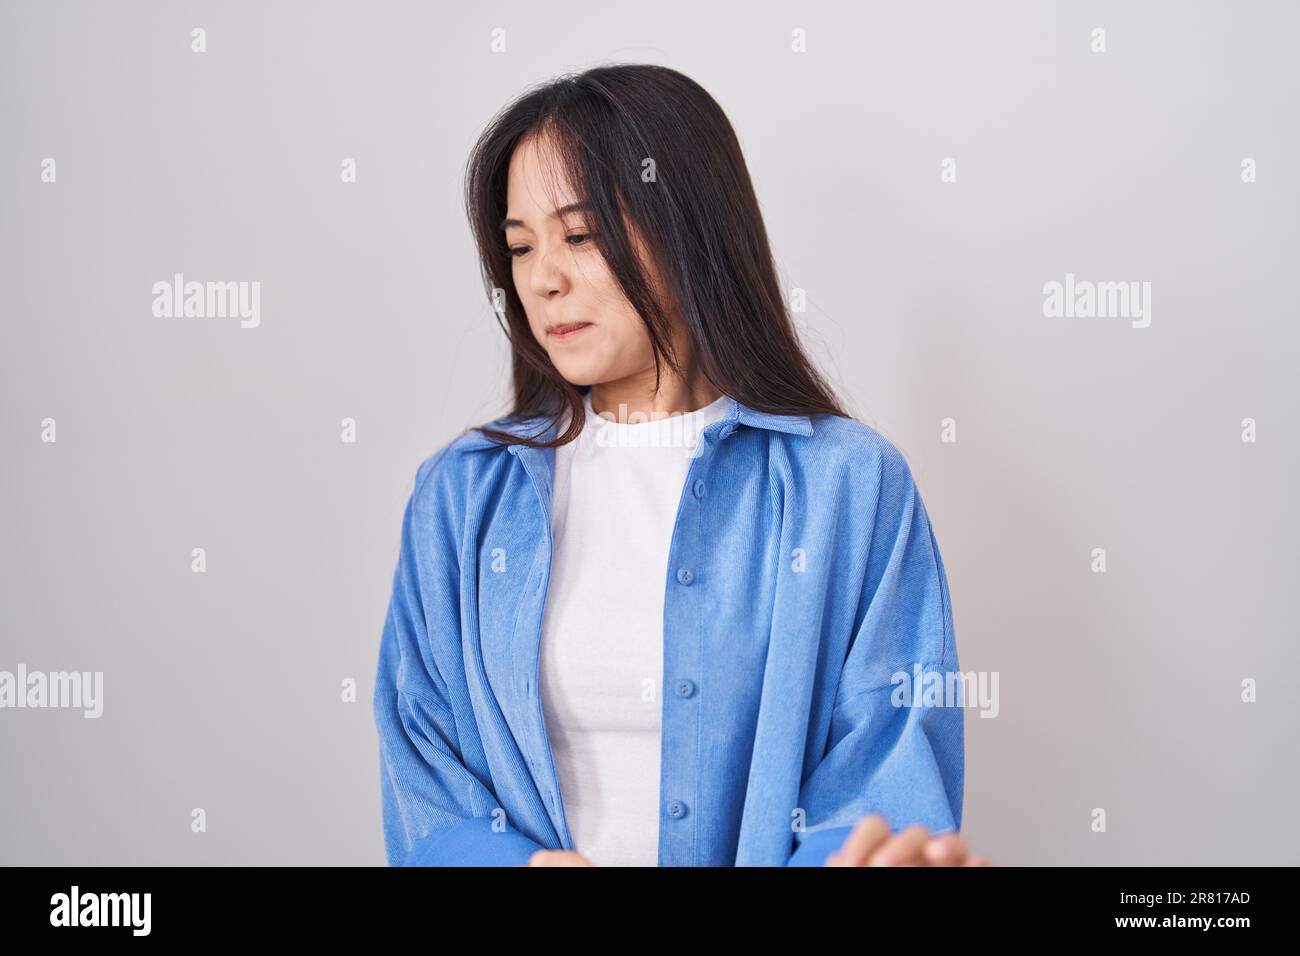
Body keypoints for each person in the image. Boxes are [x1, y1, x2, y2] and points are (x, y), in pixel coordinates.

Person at [373, 63, 989, 867]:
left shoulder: (849, 486)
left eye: (581, 235)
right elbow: (422, 758)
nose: (543, 279)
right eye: (520, 247)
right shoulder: (460, 496)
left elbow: (885, 757)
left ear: (689, 227)